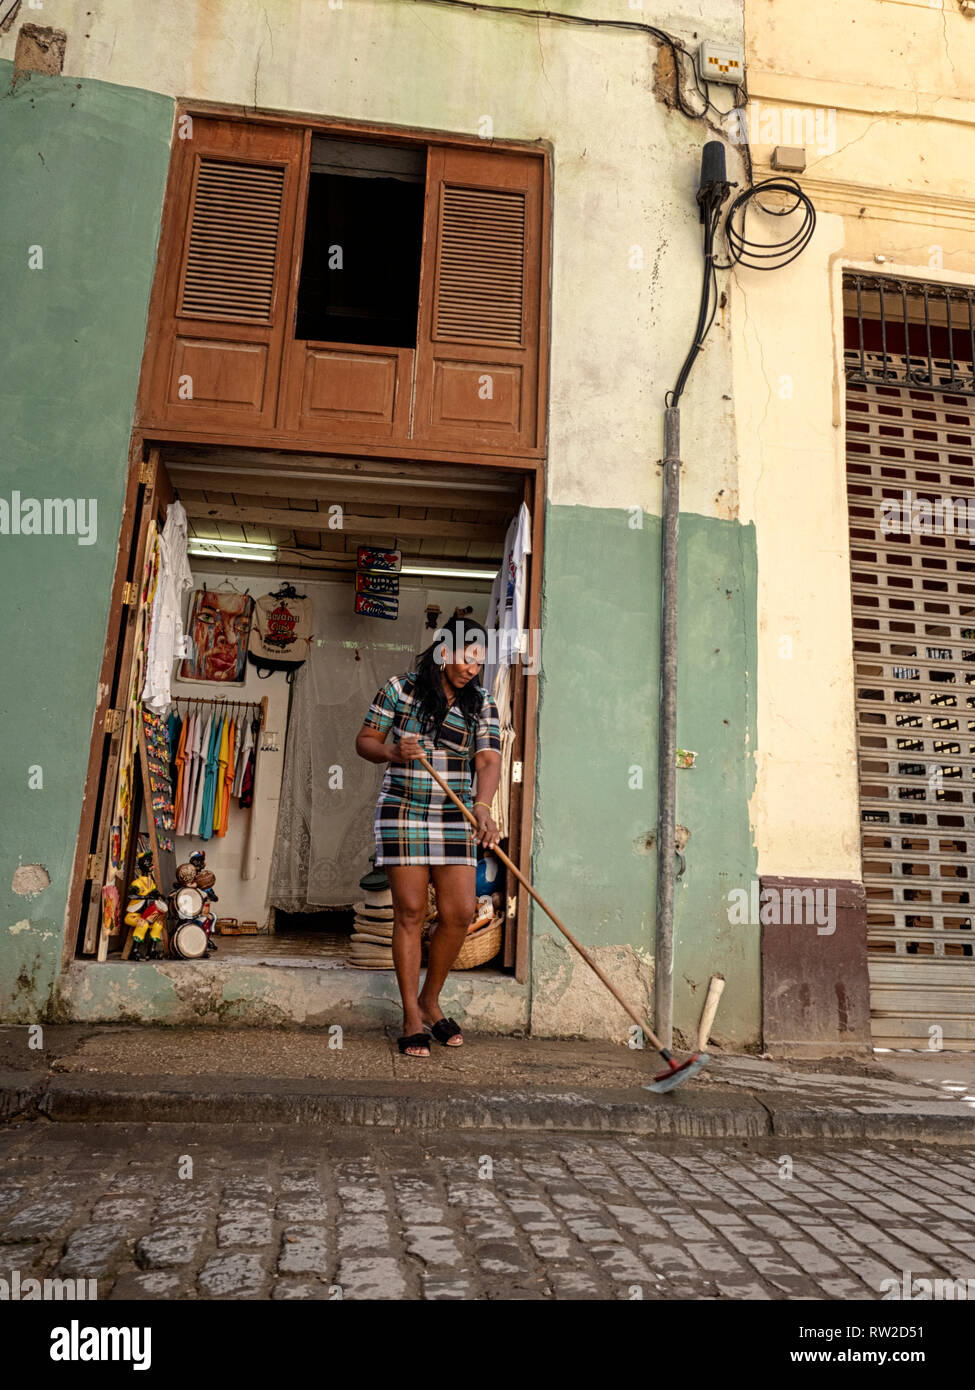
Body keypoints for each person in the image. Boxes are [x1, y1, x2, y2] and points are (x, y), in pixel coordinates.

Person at [355, 617, 502, 1057]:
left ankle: (430, 999)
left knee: (458, 912)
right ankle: (411, 1016)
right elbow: (365, 742)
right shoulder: (400, 689)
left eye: (479, 662)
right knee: (412, 911)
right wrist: (392, 751)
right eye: (465, 658)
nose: (472, 669)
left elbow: (489, 760)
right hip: (402, 809)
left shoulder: (483, 703)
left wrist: (482, 807)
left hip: (455, 813)